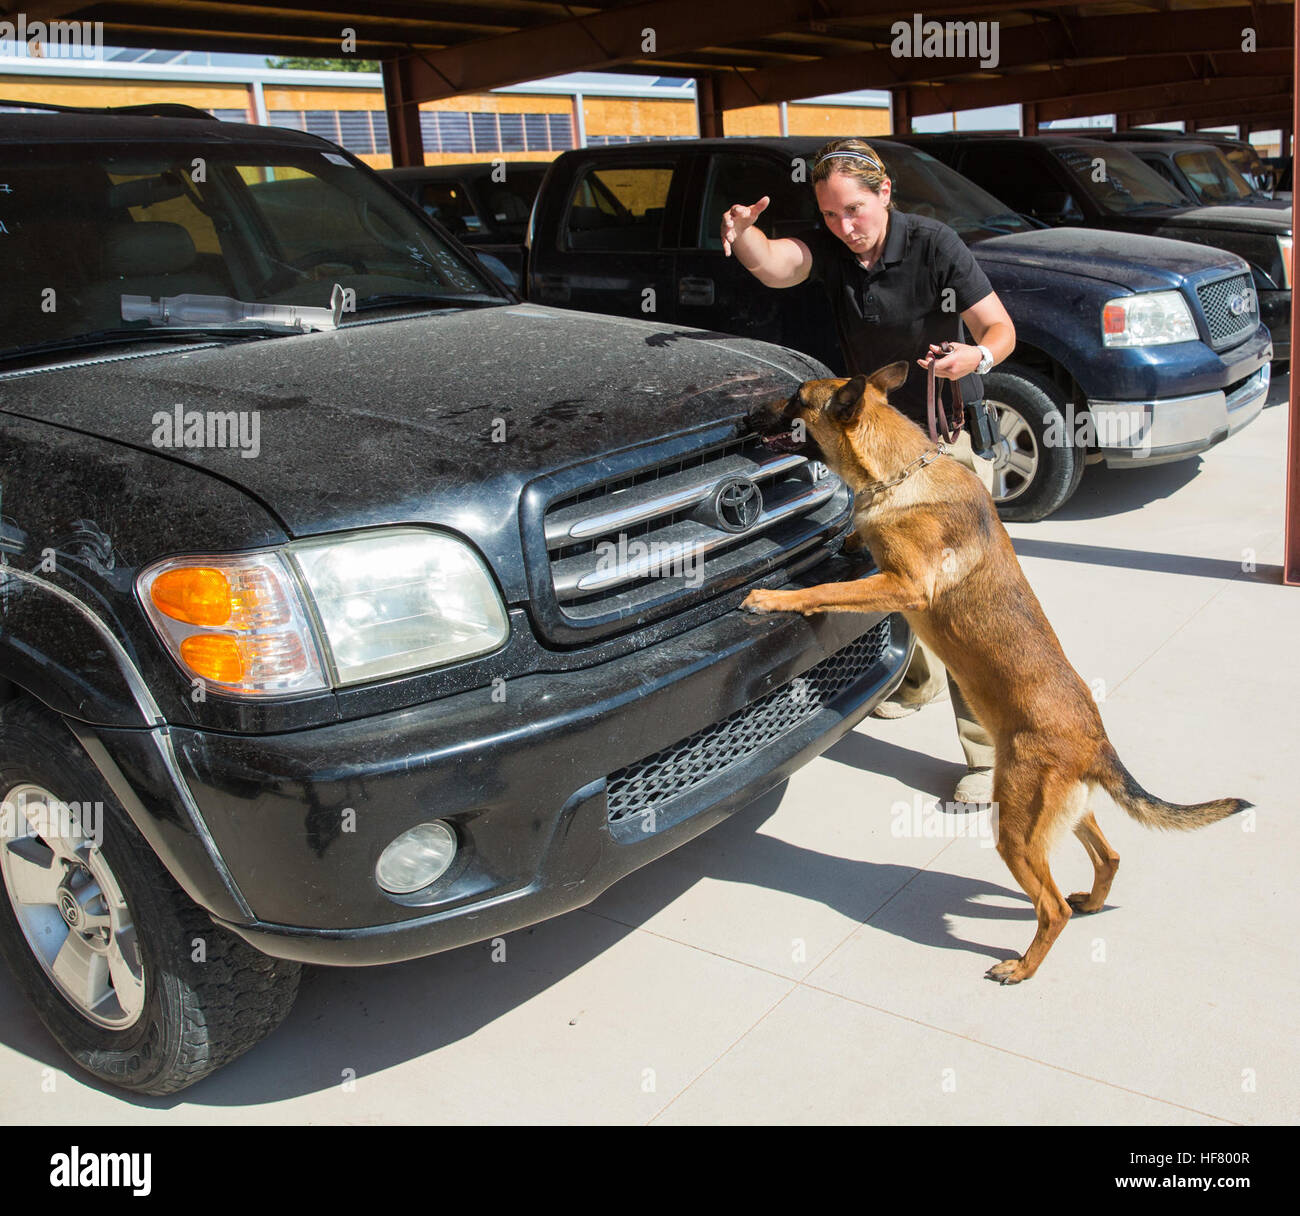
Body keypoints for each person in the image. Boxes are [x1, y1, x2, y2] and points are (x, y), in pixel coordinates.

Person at [720, 137, 1017, 806]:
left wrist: (976, 360)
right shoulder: (834, 249)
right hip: (875, 457)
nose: (844, 226)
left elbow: (999, 328)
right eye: (829, 215)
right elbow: (777, 266)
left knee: (965, 606)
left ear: (884, 192)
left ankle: (991, 755)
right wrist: (745, 237)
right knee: (897, 580)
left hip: (940, 453)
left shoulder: (934, 245)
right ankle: (916, 684)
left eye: (854, 209)